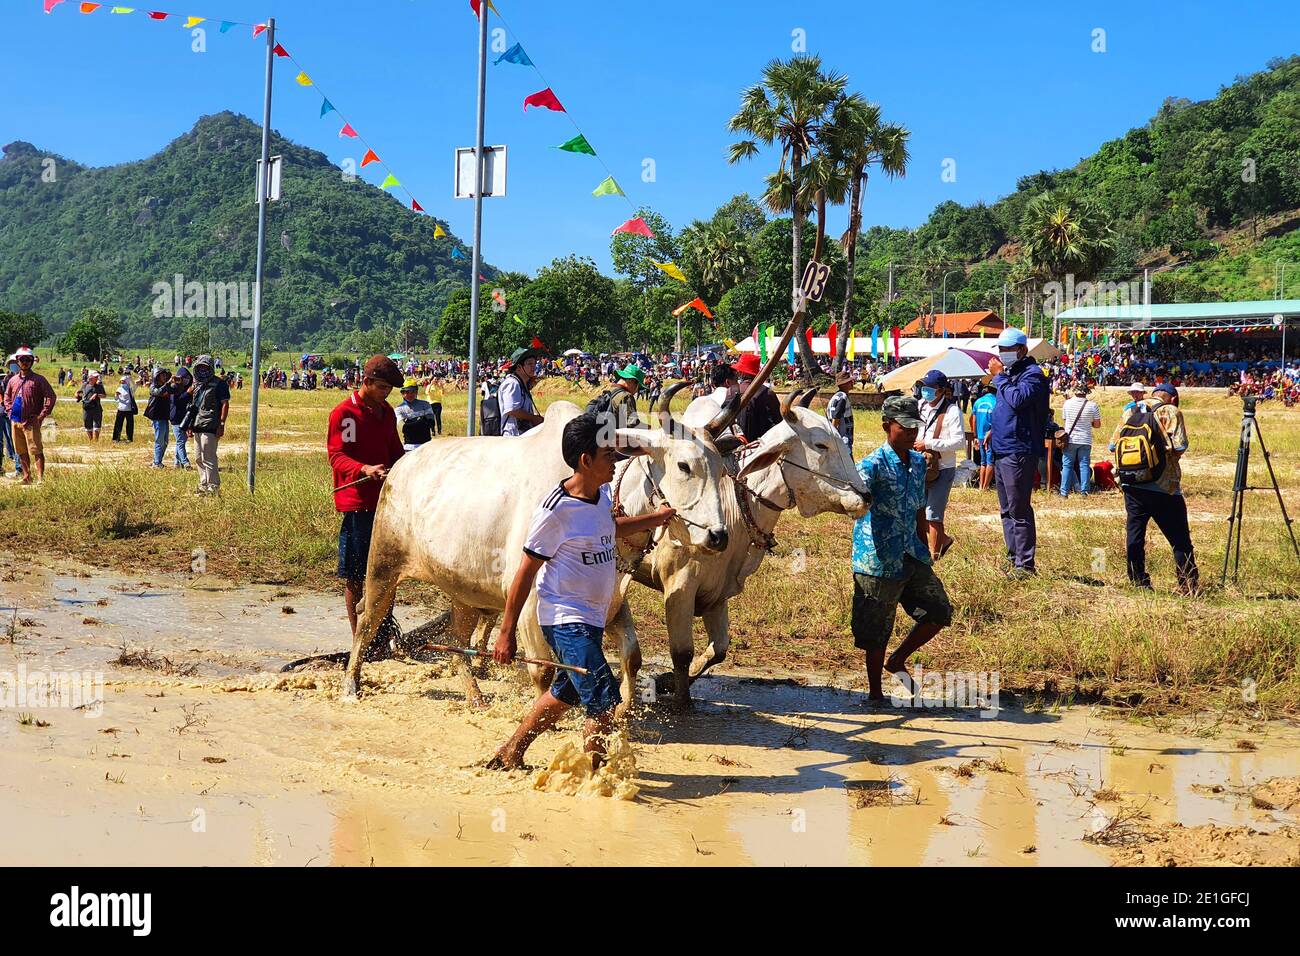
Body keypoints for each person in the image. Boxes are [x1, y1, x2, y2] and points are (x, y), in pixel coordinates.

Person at [489, 413, 675, 770]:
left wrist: (655, 519)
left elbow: (607, 527)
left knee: (567, 692)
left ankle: (512, 750)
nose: (614, 463)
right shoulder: (555, 512)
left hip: (591, 618)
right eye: (608, 456)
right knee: (604, 699)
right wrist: (506, 633)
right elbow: (525, 572)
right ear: (586, 461)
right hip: (564, 619)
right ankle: (598, 778)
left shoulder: (601, 495)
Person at [851, 396, 954, 703]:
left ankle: (897, 660)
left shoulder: (918, 463)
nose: (912, 433)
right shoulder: (871, 465)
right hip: (878, 559)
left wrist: (925, 545)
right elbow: (853, 496)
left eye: (915, 428)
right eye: (905, 427)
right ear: (887, 426)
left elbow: (920, 507)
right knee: (877, 629)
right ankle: (875, 695)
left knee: (939, 611)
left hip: (911, 553)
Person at [328, 355, 406, 638]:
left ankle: (382, 633)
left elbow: (395, 451)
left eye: (389, 389)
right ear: (367, 381)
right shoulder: (344, 414)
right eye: (382, 387)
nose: (386, 393)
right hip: (358, 503)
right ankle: (357, 637)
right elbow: (336, 456)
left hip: (385, 504)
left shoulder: (387, 413)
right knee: (356, 575)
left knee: (387, 572)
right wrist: (364, 468)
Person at [1109, 383, 1199, 594]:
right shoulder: (1171, 411)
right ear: (1173, 399)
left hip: (1131, 483)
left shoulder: (1130, 410)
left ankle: (1138, 581)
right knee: (1179, 538)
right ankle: (1188, 584)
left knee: (1135, 534)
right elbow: (1180, 446)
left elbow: (1113, 446)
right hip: (1163, 485)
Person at [987, 328, 1049, 577]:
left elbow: (1018, 400)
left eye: (1007, 350)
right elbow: (1007, 409)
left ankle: (1025, 564)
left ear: (1022, 350)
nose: (1002, 354)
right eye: (1000, 350)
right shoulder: (1012, 373)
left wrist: (999, 377)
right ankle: (1013, 557)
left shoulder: (1033, 375)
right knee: (1006, 509)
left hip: (1019, 449)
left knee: (1019, 508)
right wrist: (994, 429)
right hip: (1003, 447)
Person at [916, 370, 965, 560]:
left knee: (933, 514)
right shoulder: (921, 406)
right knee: (918, 510)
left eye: (930, 388)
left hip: (942, 467)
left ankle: (933, 556)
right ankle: (942, 541)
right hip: (921, 465)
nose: (926, 391)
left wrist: (928, 444)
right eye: (924, 387)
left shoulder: (953, 411)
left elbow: (959, 442)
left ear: (942, 391)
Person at [2, 347, 56, 484]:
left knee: (36, 449)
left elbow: (50, 396)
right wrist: (9, 412)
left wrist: (42, 415)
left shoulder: (39, 380)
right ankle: (27, 477)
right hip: (15, 421)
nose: (25, 362)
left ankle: (40, 479)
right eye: (22, 359)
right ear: (17, 361)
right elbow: (7, 396)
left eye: (28, 359)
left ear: (32, 361)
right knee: (20, 451)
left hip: (31, 421)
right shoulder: (13, 380)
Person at [180, 355, 230, 494]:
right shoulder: (196, 385)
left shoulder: (220, 384)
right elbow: (193, 406)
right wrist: (190, 426)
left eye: (205, 367)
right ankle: (203, 484)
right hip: (197, 425)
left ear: (211, 367)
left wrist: (221, 423)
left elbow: (225, 404)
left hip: (211, 425)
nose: (202, 369)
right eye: (200, 367)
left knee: (209, 457)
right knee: (198, 457)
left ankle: (213, 486)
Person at [1058, 382, 1101, 497]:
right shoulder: (1093, 405)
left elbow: (1064, 419)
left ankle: (1064, 492)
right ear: (1086, 392)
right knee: (1084, 465)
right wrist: (1088, 422)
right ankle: (1084, 491)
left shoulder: (1067, 404)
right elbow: (1097, 425)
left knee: (1067, 465)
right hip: (1085, 439)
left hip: (1070, 439)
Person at [733, 352, 782, 441]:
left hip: (735, 443)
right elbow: (779, 420)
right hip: (764, 443)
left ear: (741, 372)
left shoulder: (730, 391)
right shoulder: (768, 393)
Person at [497, 347, 544, 436]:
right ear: (519, 367)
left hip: (522, 437)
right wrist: (533, 418)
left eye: (534, 363)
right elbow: (512, 410)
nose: (533, 367)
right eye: (529, 364)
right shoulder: (512, 383)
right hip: (513, 437)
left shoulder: (521, 384)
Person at [394, 378, 436, 451]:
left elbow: (431, 423)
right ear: (402, 393)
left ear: (416, 392)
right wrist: (422, 420)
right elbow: (404, 428)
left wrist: (410, 422)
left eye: (413, 392)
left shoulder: (425, 404)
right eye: (407, 392)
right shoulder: (399, 409)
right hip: (409, 447)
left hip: (426, 445)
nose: (410, 395)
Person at [145, 368, 173, 468]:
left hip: (165, 416)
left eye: (165, 375)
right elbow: (157, 392)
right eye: (162, 375)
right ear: (157, 376)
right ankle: (156, 463)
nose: (164, 377)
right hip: (157, 416)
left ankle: (158, 461)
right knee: (159, 440)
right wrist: (168, 384)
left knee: (165, 441)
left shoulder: (166, 386)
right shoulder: (153, 386)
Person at [970, 384, 997, 491]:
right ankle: (986, 487)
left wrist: (975, 435)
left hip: (980, 435)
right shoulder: (997, 402)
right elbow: (998, 421)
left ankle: (981, 485)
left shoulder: (978, 402)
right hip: (991, 435)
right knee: (991, 461)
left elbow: (974, 420)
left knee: (983, 462)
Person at [0, 356, 21, 476]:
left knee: (15, 440)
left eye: (15, 363)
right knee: (4, 440)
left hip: (16, 414)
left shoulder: (23, 379)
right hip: (4, 412)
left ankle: (19, 467)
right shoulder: (7, 378)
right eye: (12, 363)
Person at [169, 367, 193, 469]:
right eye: (184, 377)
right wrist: (188, 393)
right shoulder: (174, 387)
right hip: (176, 418)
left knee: (182, 440)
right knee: (180, 441)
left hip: (185, 418)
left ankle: (176, 463)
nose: (186, 379)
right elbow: (177, 401)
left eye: (188, 377)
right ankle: (185, 462)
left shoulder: (187, 388)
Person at [826, 370, 855, 450]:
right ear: (844, 384)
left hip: (840, 436)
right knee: (847, 461)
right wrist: (833, 436)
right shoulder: (843, 398)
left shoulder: (836, 396)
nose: (852, 383)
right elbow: (836, 418)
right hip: (843, 437)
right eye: (849, 381)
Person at [79, 370, 106, 441]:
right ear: (90, 377)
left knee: (97, 424)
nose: (97, 377)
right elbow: (80, 393)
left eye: (97, 376)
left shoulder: (99, 386)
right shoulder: (84, 385)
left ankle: (96, 440)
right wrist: (77, 395)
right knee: (87, 424)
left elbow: (104, 395)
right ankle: (90, 440)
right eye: (95, 376)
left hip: (96, 407)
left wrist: (97, 395)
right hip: (87, 408)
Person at [112, 374, 137, 442]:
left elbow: (135, 386)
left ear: (127, 382)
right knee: (118, 424)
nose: (122, 383)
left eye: (124, 381)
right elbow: (116, 399)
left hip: (129, 409)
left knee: (129, 425)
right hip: (120, 409)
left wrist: (130, 379)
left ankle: (129, 438)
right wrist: (116, 395)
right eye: (121, 381)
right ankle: (116, 438)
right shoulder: (119, 388)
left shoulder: (130, 389)